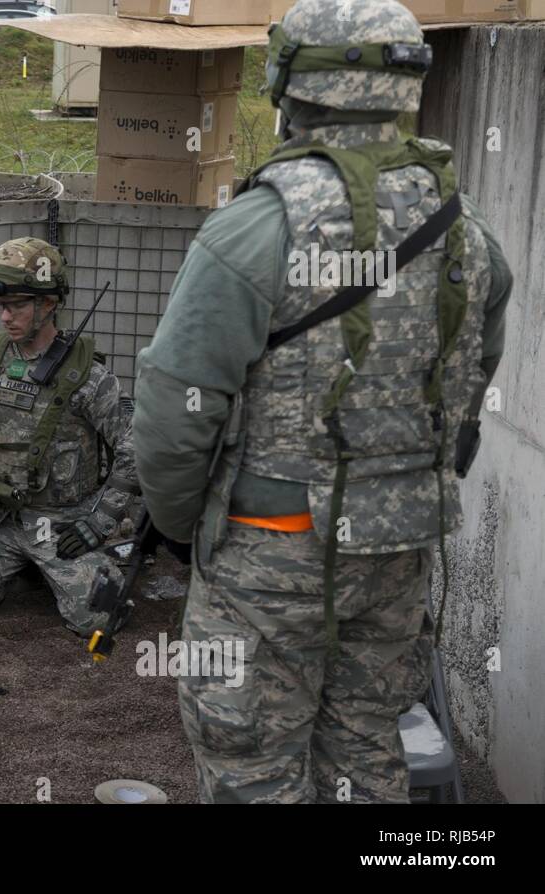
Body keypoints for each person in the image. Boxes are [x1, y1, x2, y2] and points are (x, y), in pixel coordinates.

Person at [132, 0, 513, 803]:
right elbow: (470, 390)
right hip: (399, 554)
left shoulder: (257, 226)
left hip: (269, 550)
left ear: (290, 83)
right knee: (371, 750)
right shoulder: (466, 229)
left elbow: (175, 409)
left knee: (251, 760)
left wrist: (176, 523)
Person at [0, 237, 138, 636]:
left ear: (48, 305)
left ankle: (103, 549)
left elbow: (135, 450)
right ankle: (29, 565)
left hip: (66, 520)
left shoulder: (88, 378)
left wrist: (100, 522)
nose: (5, 318)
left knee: (101, 620)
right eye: (1, 307)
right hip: (1, 515)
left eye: (16, 306)